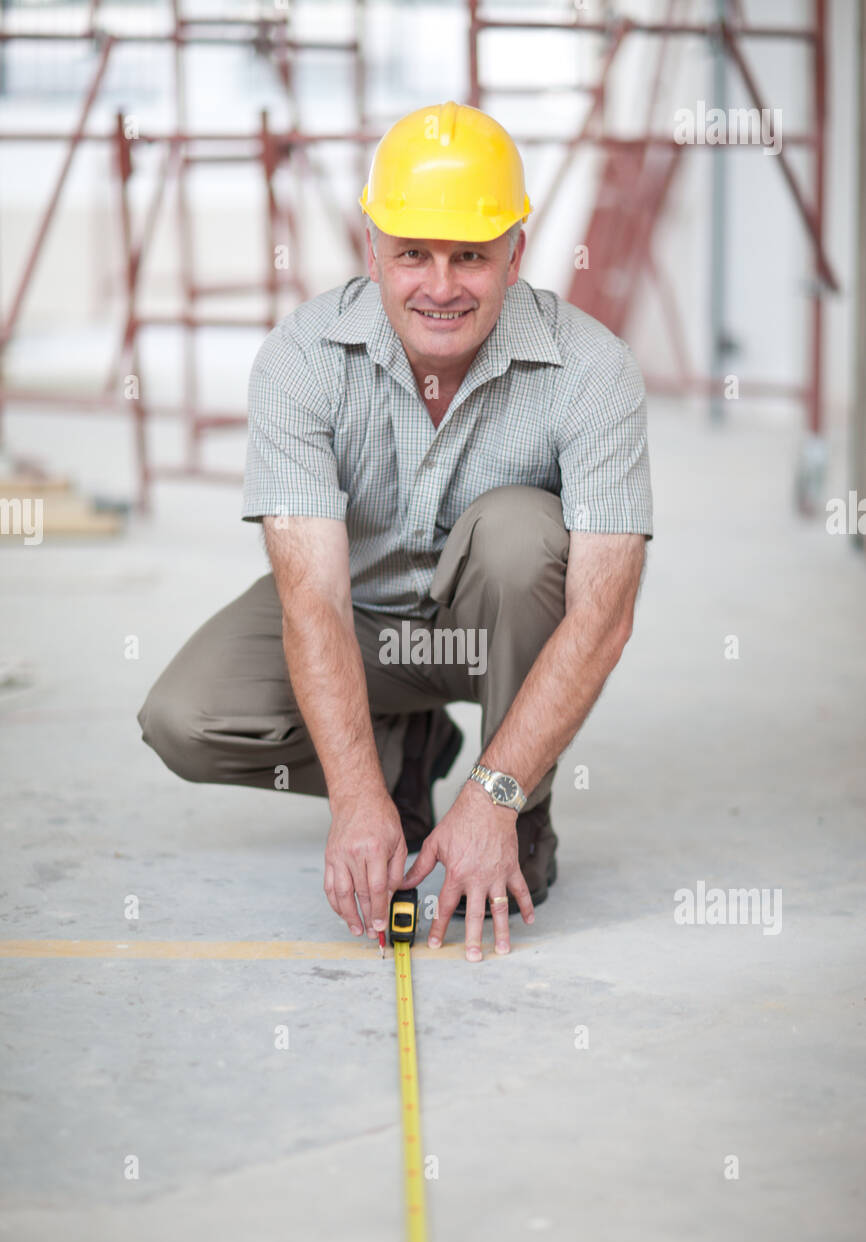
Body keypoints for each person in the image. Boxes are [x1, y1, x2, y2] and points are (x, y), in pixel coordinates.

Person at [137, 101, 652, 963]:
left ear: (516, 254)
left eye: (470, 257)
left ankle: (513, 812)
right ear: (373, 248)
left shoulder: (592, 370)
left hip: (490, 629)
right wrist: (357, 797)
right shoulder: (302, 362)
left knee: (522, 535)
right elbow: (312, 602)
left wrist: (492, 795)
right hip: (360, 621)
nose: (440, 286)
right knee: (185, 718)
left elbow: (604, 615)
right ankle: (402, 756)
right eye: (413, 252)